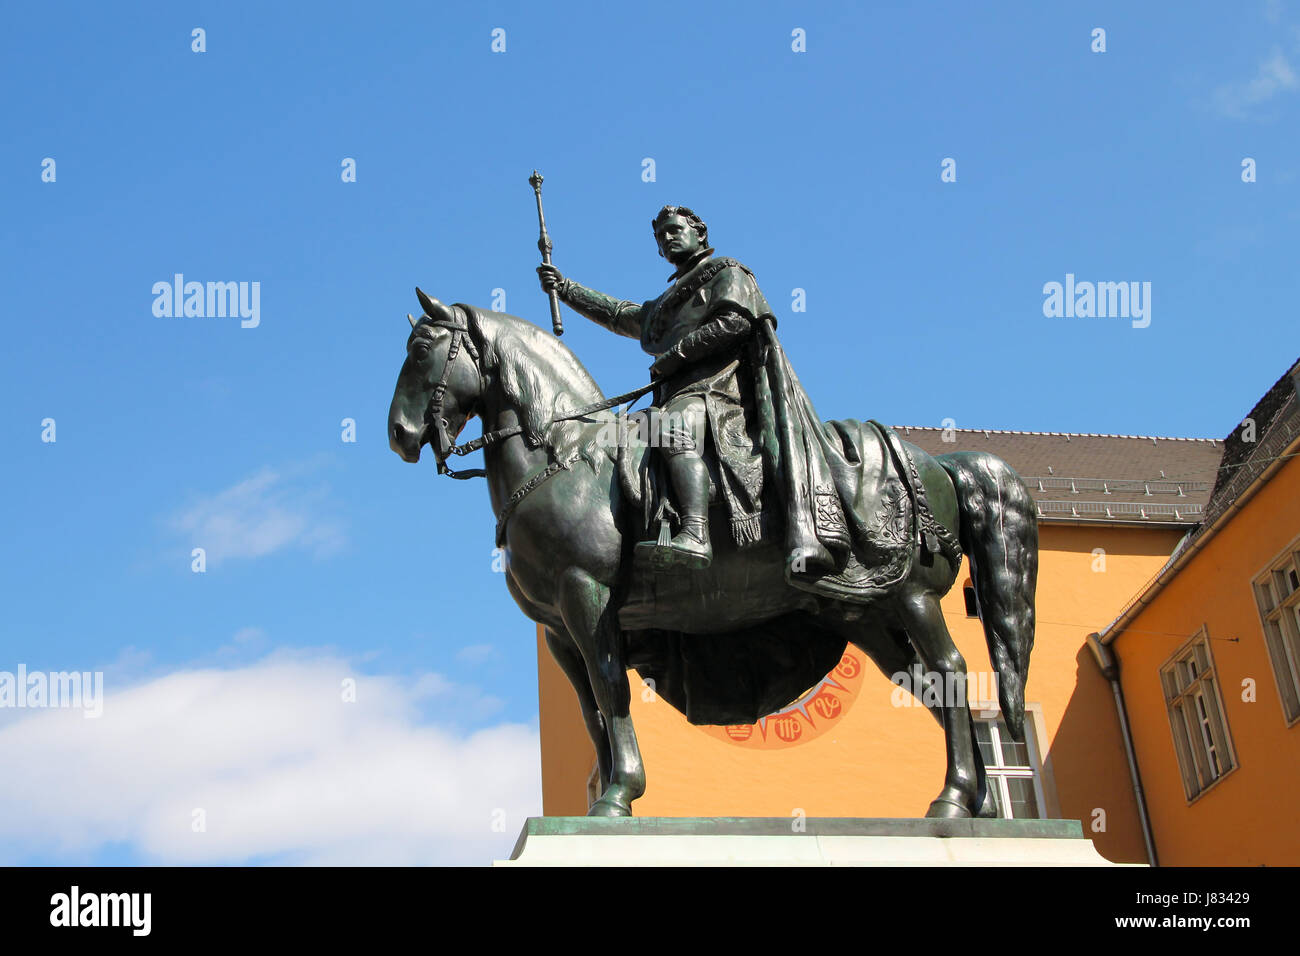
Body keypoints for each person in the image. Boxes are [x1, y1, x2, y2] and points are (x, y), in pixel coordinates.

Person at [539, 204, 845, 577]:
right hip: (679, 394)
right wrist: (566, 288)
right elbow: (621, 315)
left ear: (700, 233)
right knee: (619, 434)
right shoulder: (667, 305)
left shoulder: (726, 272)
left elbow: (736, 322)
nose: (666, 239)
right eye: (659, 236)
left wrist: (676, 355)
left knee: (672, 427)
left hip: (718, 394)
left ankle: (697, 532)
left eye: (674, 230)